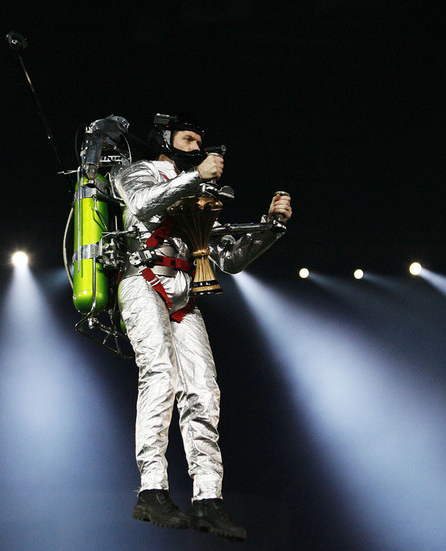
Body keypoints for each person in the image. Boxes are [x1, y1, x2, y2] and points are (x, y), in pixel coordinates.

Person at [113, 114, 292, 542]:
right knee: (159, 376)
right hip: (142, 279)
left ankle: (208, 498)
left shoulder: (201, 191)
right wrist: (195, 175)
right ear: (165, 140)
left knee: (204, 390)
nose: (196, 145)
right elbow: (140, 204)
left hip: (184, 293)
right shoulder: (136, 171)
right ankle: (152, 490)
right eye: (188, 138)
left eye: (199, 142)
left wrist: (271, 227)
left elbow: (227, 259)